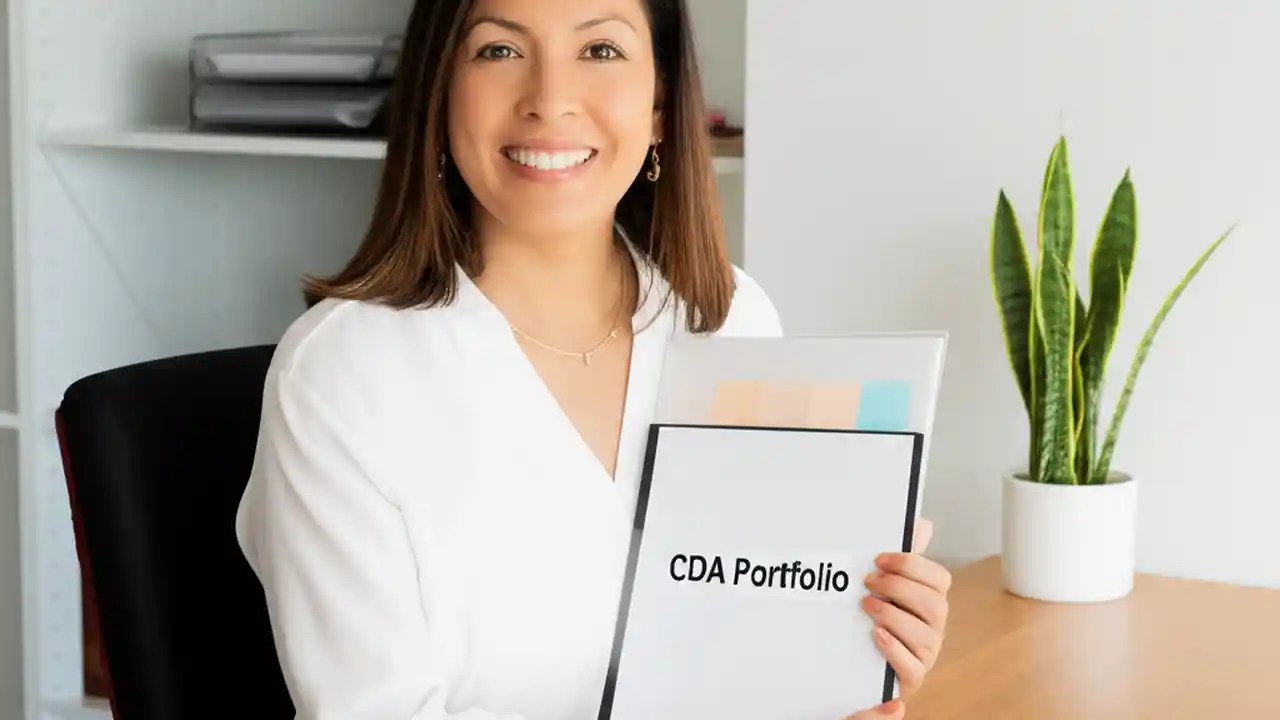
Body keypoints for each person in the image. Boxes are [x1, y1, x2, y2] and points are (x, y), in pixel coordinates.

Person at [234, 0, 952, 718]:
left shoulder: (730, 318)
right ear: (439, 91)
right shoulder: (343, 374)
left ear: (662, 103)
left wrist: (859, 648)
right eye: (498, 51)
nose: (549, 101)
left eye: (601, 51)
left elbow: (758, 656)